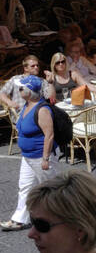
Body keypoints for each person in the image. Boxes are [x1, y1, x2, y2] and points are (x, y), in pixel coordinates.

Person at [1, 77, 58, 231]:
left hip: (41, 156)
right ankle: (20, 219)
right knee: (25, 187)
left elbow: (49, 135)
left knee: (50, 189)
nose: (18, 91)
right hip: (28, 156)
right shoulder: (26, 105)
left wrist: (45, 159)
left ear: (29, 92)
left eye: (21, 89)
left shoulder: (42, 109)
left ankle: (61, 219)